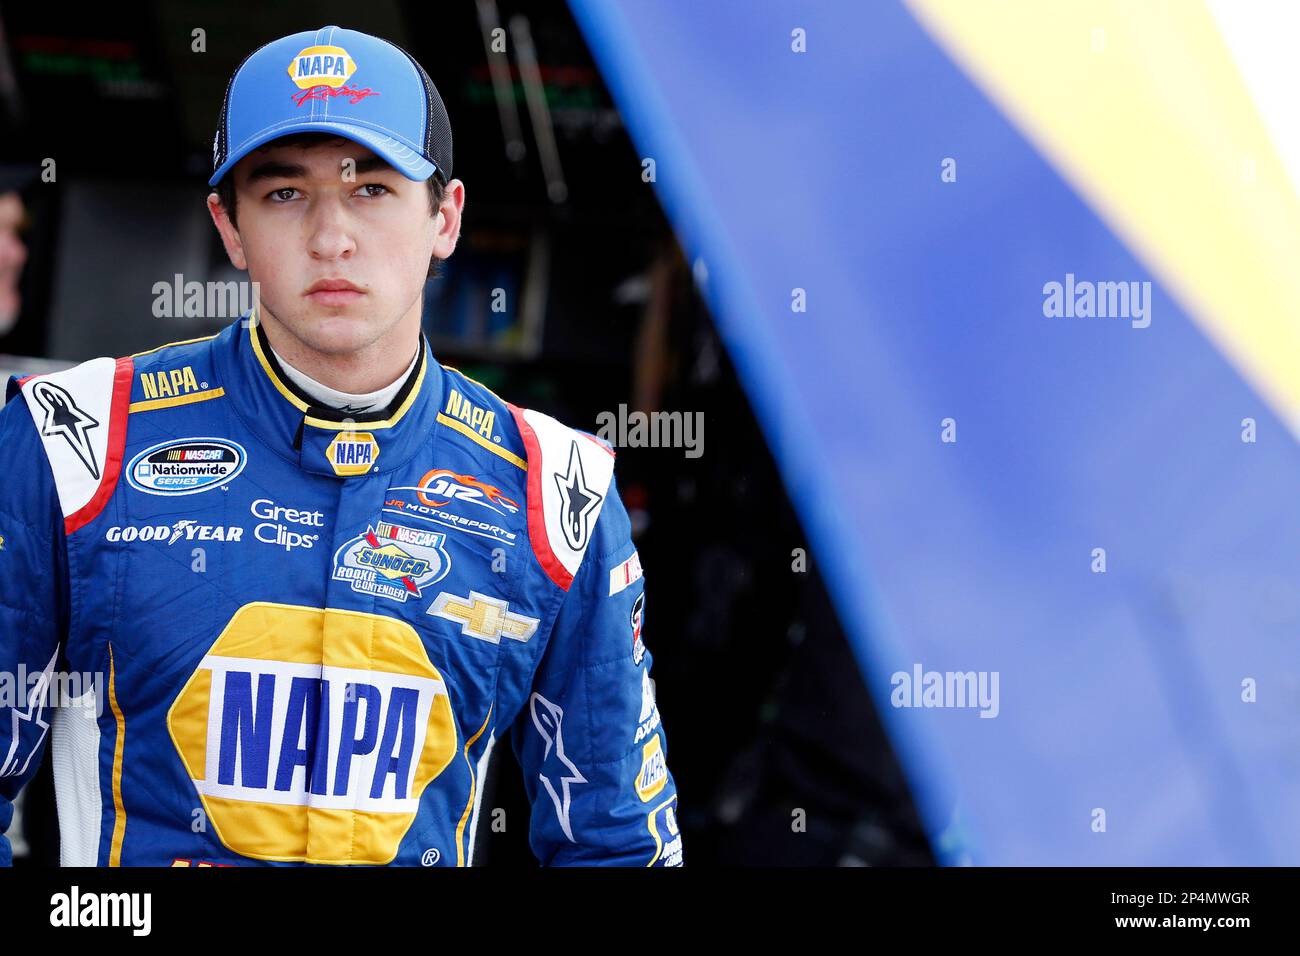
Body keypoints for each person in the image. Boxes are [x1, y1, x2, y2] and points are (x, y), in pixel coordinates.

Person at [0, 25, 682, 867]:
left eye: (372, 190)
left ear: (446, 217)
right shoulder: (76, 438)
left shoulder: (557, 489)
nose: (332, 239)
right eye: (285, 194)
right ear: (230, 227)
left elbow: (618, 842)